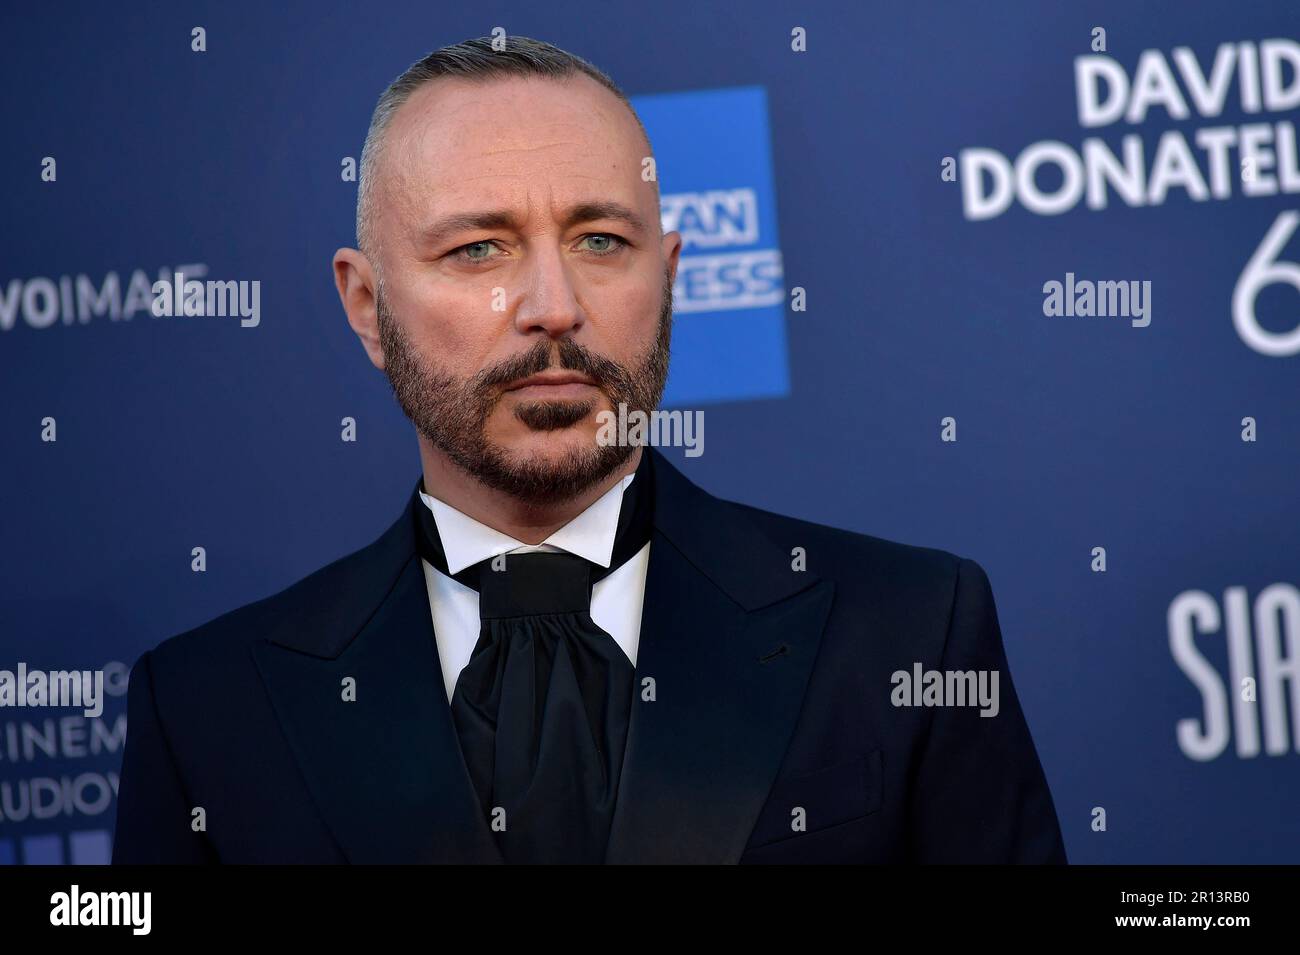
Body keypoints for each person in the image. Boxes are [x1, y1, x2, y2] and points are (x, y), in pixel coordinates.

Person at [112, 35, 1066, 864]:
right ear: (368, 305)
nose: (554, 306)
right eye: (479, 249)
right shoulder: (208, 711)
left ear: (671, 273)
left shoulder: (907, 629)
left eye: (602, 239)